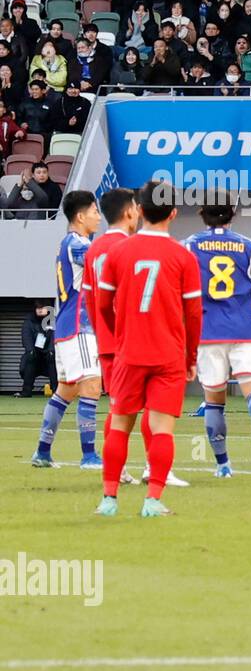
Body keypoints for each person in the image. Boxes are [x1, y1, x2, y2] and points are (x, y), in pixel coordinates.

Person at [93, 189, 204, 517]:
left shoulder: (118, 252)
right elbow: (195, 313)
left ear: (138, 210)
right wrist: (191, 356)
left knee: (119, 426)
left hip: (129, 351)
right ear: (173, 213)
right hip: (169, 353)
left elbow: (102, 305)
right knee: (161, 429)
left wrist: (120, 333)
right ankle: (153, 500)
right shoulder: (184, 256)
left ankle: (109, 499)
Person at [183, 196, 251, 477]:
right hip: (242, 328)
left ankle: (223, 465)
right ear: (232, 215)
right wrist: (242, 298)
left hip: (208, 330)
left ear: (202, 214)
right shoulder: (248, 245)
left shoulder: (190, 245)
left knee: (214, 401)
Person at [32, 191, 104, 470]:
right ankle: (88, 456)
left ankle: (42, 451)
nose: (99, 217)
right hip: (79, 325)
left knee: (66, 390)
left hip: (66, 325)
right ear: (80, 215)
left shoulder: (70, 243)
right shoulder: (77, 243)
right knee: (92, 386)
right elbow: (105, 261)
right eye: (95, 211)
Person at [81, 186, 141, 484]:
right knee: (154, 405)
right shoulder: (130, 247)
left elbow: (91, 300)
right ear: (129, 211)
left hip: (106, 340)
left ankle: (117, 468)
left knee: (119, 406)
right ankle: (157, 470)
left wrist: (103, 331)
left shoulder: (94, 249)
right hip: (135, 339)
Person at [17, 302, 56, 398]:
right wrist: (30, 350)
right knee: (28, 360)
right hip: (35, 352)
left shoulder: (53, 321)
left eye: (42, 308)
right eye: (37, 308)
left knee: (53, 358)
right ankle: (26, 391)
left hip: (48, 353)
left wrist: (52, 350)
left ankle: (57, 392)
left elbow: (55, 336)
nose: (39, 310)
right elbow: (26, 337)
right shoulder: (29, 321)